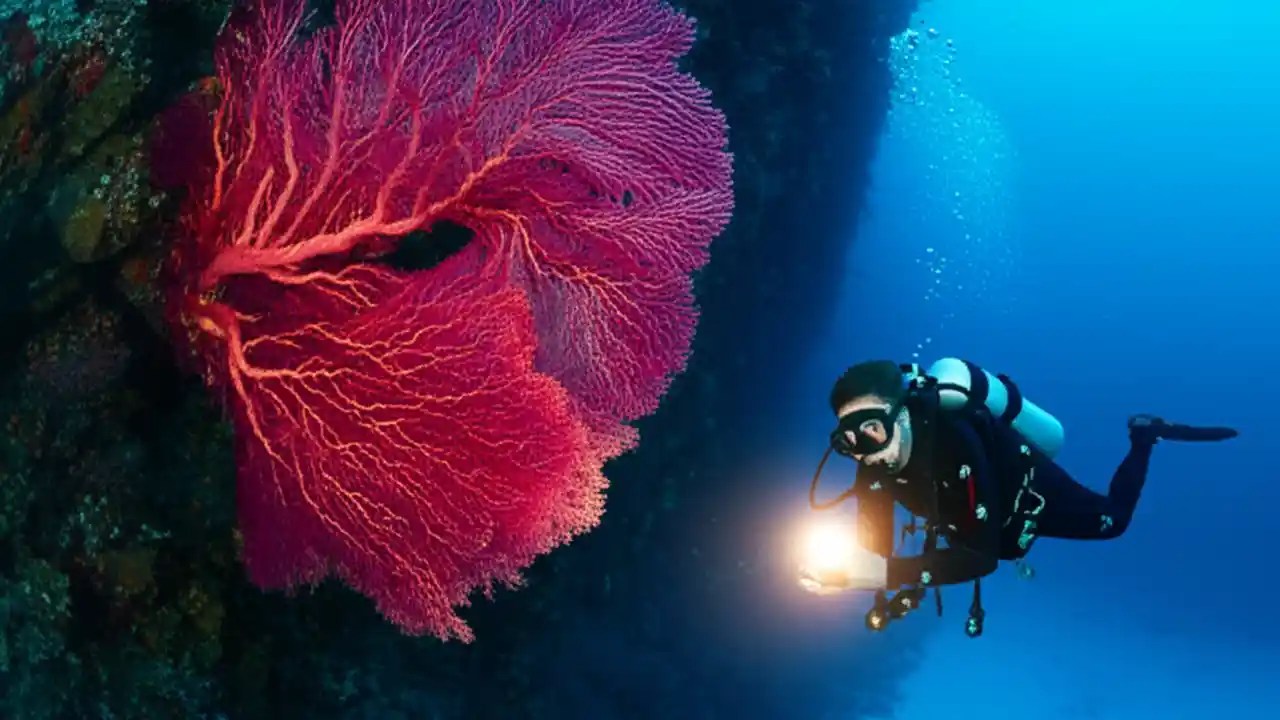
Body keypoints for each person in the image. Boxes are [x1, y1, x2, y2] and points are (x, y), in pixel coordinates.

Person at [798, 359, 1237, 630]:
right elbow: (872, 548)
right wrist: (842, 574)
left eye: (872, 429)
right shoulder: (871, 464)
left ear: (903, 415)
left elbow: (981, 557)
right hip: (981, 523)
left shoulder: (956, 442)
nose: (864, 450)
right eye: (848, 439)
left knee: (1113, 521)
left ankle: (1144, 435)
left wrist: (884, 574)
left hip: (1028, 494)